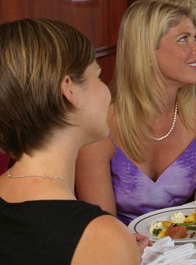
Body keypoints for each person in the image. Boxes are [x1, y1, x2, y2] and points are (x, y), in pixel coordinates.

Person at [0, 19, 140, 263]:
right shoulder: (102, 237)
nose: (107, 89)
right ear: (69, 89)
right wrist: (114, 248)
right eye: (98, 75)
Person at [76, 0, 196, 225]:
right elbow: (101, 228)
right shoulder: (99, 125)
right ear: (145, 52)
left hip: (191, 251)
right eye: (183, 39)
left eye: (195, 37)